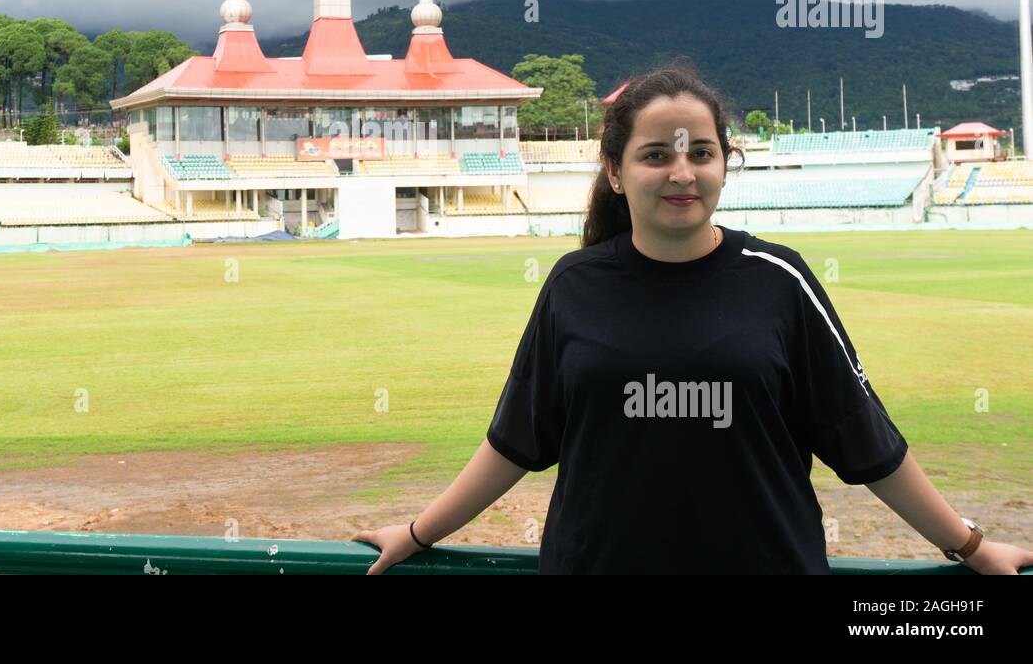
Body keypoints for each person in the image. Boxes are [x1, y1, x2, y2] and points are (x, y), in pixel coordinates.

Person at [350, 60, 1033, 574]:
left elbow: (868, 442)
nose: (682, 171)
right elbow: (516, 443)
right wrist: (417, 533)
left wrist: (970, 547)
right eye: (656, 154)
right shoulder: (572, 286)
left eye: (700, 152)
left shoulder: (781, 281)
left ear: (724, 165)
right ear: (615, 171)